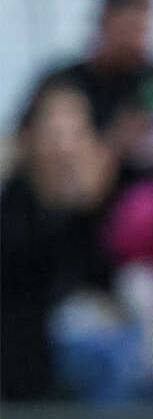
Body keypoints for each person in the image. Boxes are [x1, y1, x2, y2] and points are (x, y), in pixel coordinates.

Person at [0, 79, 118, 401]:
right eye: (55, 133)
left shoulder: (103, 202)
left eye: (77, 133)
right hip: (30, 355)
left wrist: (88, 209)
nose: (66, 147)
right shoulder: (15, 207)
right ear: (29, 138)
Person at [40, 0, 153, 177]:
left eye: (142, 28)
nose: (138, 38)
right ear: (104, 21)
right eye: (129, 28)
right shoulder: (64, 83)